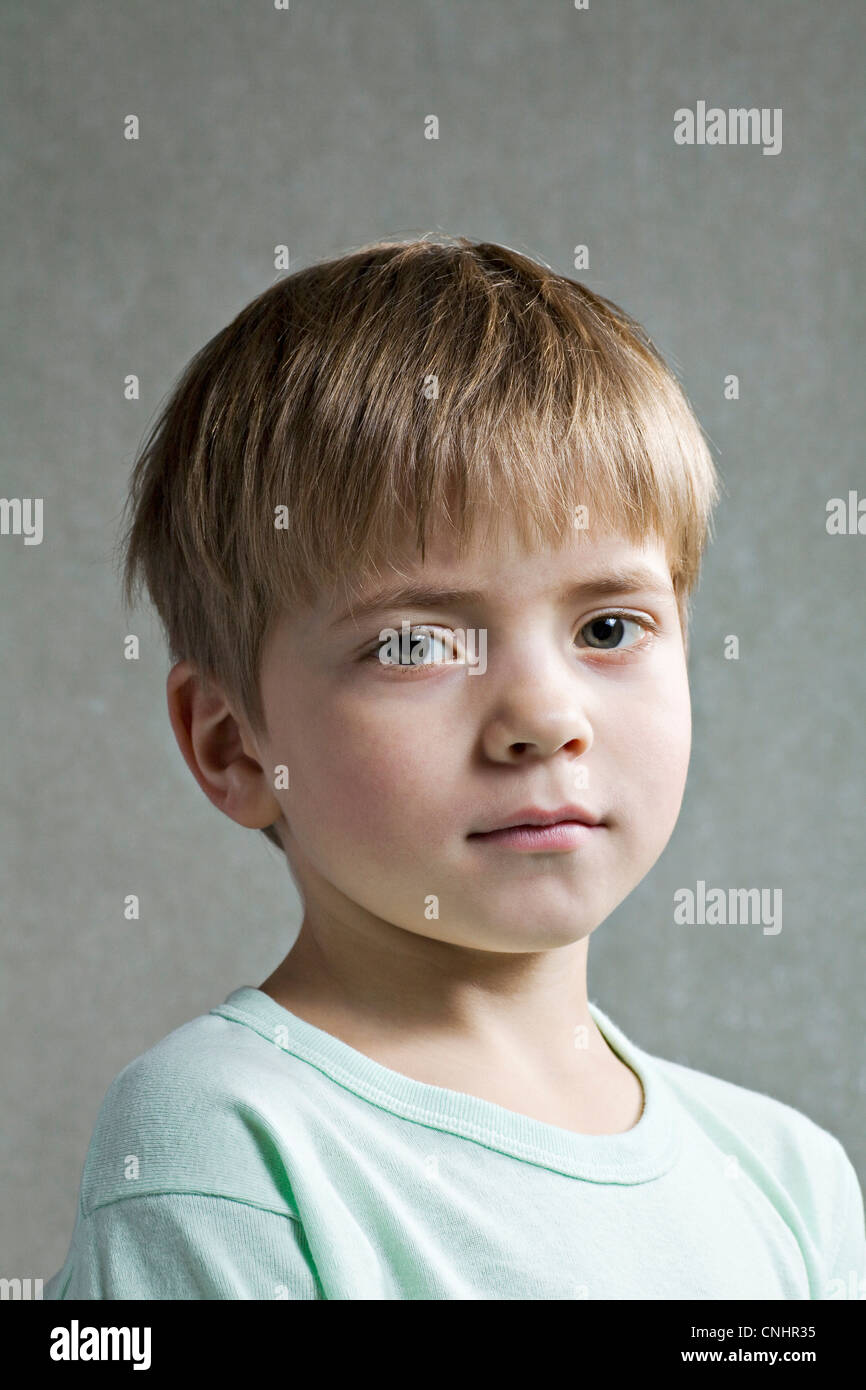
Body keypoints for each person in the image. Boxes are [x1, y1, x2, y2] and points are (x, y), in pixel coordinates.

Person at [45, 236, 865, 1299]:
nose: (540, 717)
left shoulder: (787, 1178)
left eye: (609, 626)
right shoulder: (226, 1146)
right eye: (412, 644)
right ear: (233, 744)